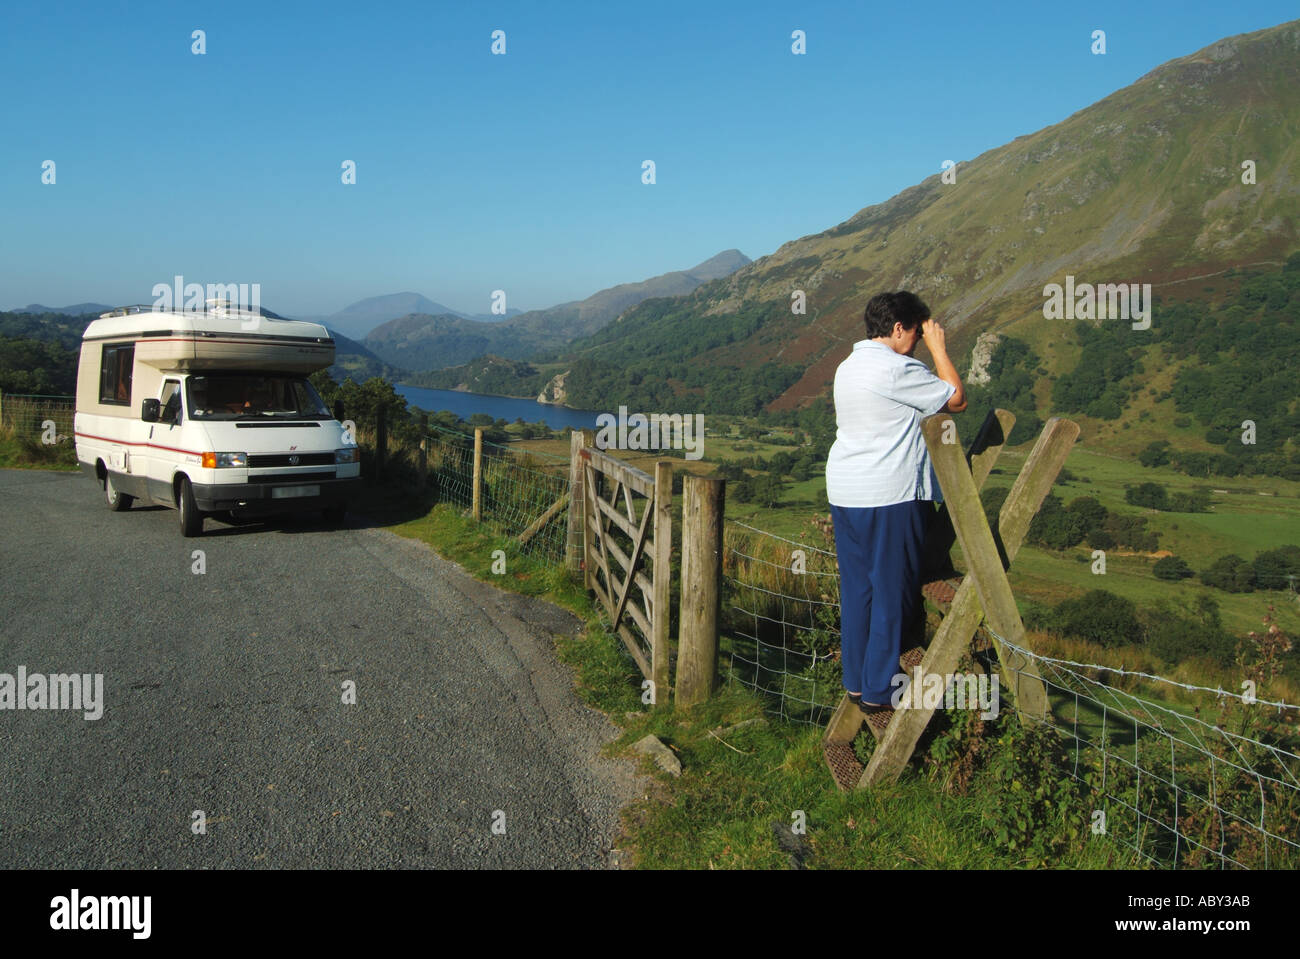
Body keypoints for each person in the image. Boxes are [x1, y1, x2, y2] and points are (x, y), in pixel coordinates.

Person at [824, 291, 966, 736]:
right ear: (900, 328)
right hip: (888, 493)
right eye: (917, 333)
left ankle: (855, 681)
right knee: (890, 588)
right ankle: (880, 690)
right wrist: (941, 349)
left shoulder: (848, 366)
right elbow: (956, 400)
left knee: (859, 588)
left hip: (846, 489)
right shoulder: (896, 367)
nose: (920, 344)